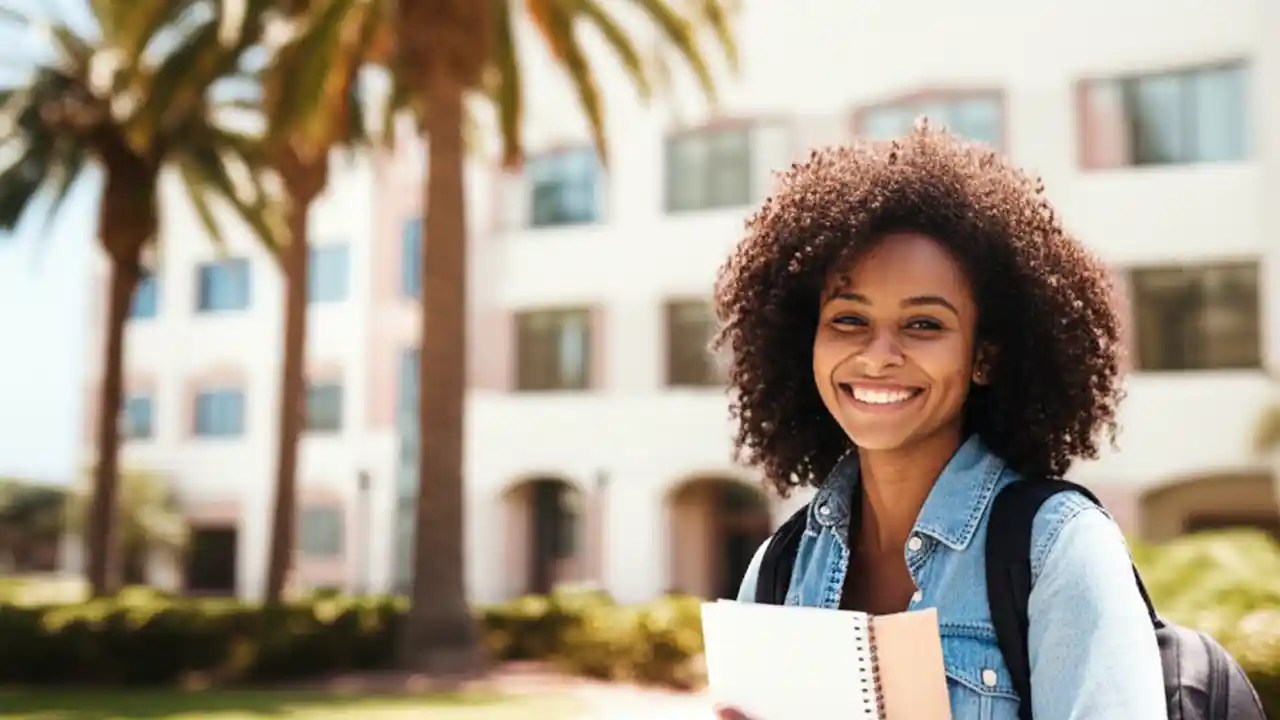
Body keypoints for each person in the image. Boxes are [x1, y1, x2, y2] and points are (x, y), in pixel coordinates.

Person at [708, 122, 1166, 719]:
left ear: (983, 356)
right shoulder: (778, 568)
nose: (877, 355)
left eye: (924, 324)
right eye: (848, 319)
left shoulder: (1058, 550)